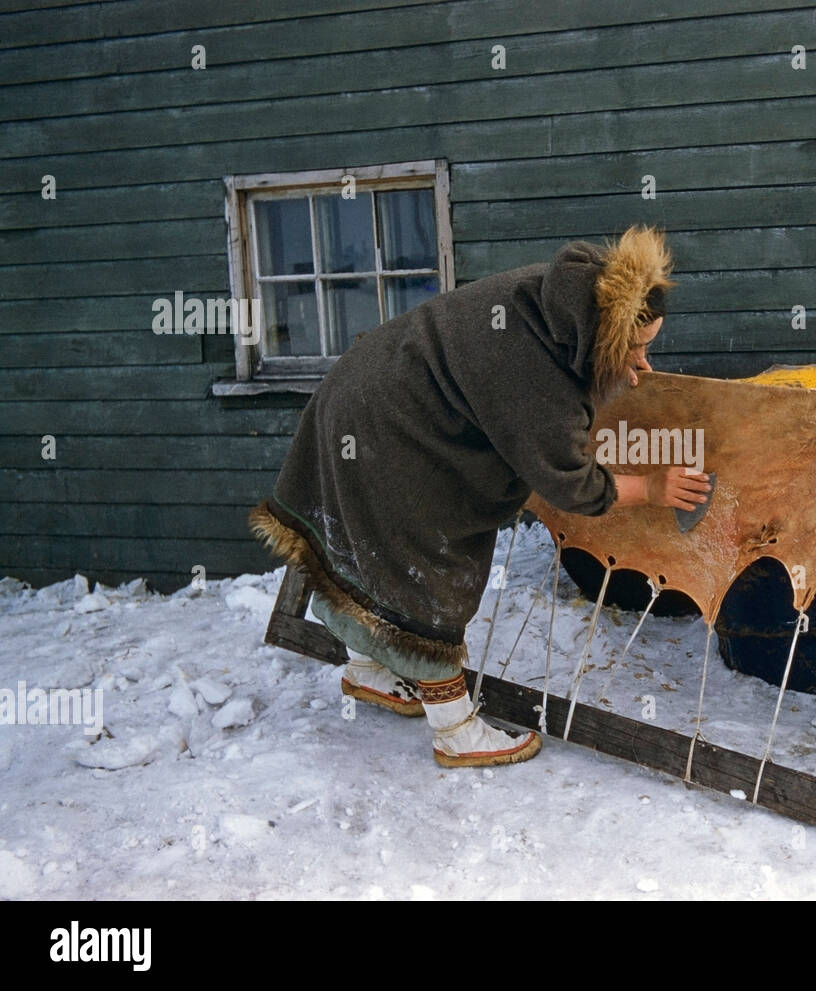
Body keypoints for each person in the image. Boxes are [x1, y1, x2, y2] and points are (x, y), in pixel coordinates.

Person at [249, 226, 711, 767]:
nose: (645, 364)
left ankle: (368, 671)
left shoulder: (558, 296)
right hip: (385, 432)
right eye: (636, 349)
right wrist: (652, 487)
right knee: (433, 571)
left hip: (362, 390)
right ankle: (456, 731)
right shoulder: (537, 379)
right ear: (605, 338)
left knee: (361, 549)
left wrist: (616, 360)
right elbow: (570, 483)